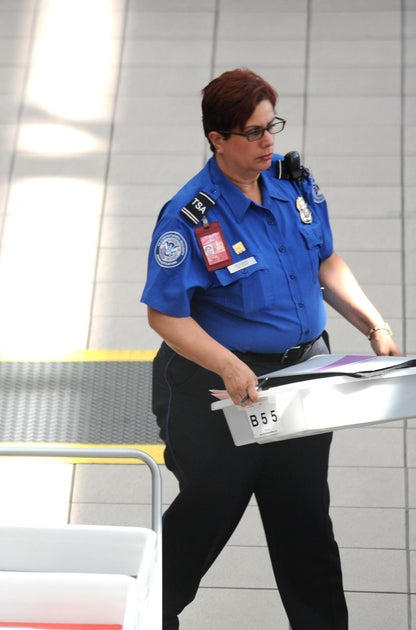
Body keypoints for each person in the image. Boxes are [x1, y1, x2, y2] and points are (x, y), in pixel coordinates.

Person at [141, 68, 402, 629]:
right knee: (205, 516)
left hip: (301, 382)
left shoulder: (293, 185)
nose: (268, 143)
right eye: (254, 132)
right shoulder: (191, 216)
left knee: (305, 519)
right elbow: (164, 313)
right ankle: (144, 616)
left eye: (272, 128)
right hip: (222, 390)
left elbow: (325, 260)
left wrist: (372, 324)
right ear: (217, 138)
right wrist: (231, 366)